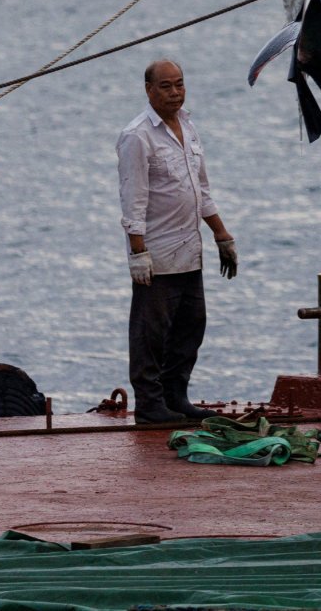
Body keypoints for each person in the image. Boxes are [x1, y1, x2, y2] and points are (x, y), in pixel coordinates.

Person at [117, 59, 237, 424]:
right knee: (150, 332)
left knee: (191, 325)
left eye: (180, 85)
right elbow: (132, 200)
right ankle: (150, 404)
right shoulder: (137, 136)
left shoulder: (188, 125)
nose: (175, 93)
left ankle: (175, 395)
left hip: (190, 249)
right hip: (157, 252)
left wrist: (221, 234)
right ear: (149, 90)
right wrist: (138, 253)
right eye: (166, 86)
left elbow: (201, 190)